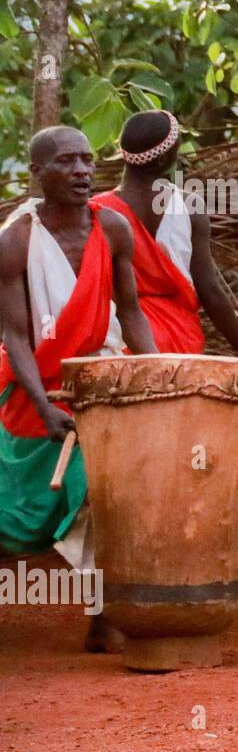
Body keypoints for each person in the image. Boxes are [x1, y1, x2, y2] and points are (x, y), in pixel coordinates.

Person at [0, 126, 157, 651]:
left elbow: (131, 311)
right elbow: (16, 335)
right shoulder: (16, 238)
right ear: (38, 173)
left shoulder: (112, 228)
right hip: (32, 388)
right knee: (17, 516)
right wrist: (44, 406)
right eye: (66, 162)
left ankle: (102, 616)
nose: (82, 172)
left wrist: (156, 375)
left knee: (104, 492)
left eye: (88, 161)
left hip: (102, 381)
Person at [92, 110, 238, 356]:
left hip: (121, 339)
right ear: (163, 160)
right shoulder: (190, 207)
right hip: (180, 342)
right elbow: (210, 292)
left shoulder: (96, 212)